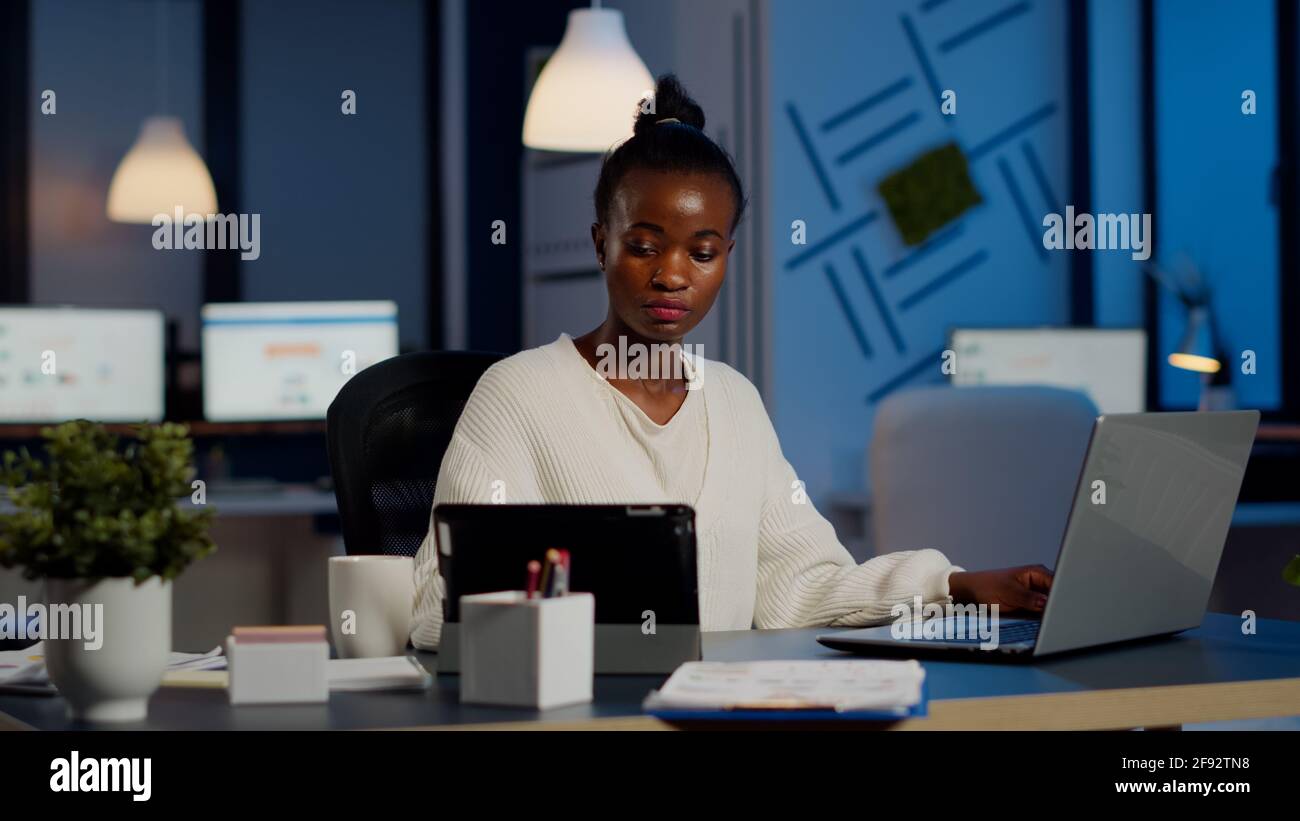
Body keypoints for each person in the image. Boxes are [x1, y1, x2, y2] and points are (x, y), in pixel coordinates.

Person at [409, 74, 1051, 650]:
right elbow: (437, 609)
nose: (671, 276)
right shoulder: (519, 394)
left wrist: (956, 586)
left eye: (703, 252)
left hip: (722, 713)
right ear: (601, 244)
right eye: (643, 246)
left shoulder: (735, 401)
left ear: (727, 256)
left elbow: (800, 588)